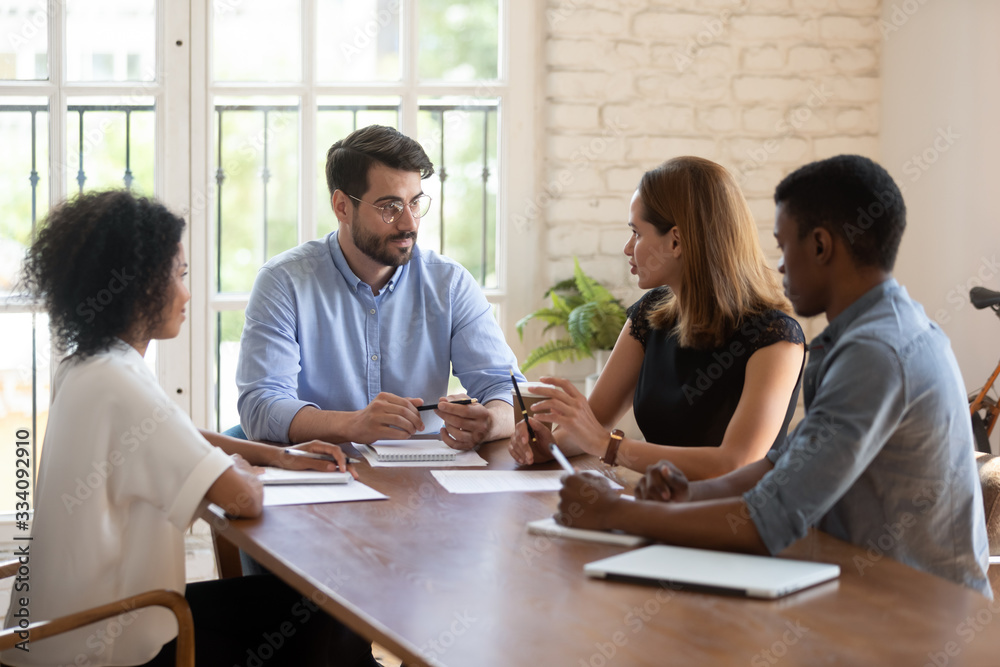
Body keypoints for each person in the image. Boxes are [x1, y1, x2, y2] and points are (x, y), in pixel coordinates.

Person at [556, 155, 992, 597]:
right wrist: (688, 494)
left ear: (821, 246)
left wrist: (616, 510)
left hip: (919, 615)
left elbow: (772, 518)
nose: (780, 266)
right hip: (862, 589)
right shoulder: (867, 334)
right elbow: (783, 466)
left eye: (784, 247)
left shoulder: (875, 354)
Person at [2, 190, 376, 666]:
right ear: (137, 286)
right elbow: (245, 498)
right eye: (178, 275)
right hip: (110, 647)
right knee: (324, 615)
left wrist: (277, 455)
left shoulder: (87, 365)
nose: (187, 292)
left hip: (45, 637)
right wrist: (238, 464)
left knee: (311, 616)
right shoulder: (121, 383)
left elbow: (173, 431)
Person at [510, 156, 805, 481]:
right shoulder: (650, 315)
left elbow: (734, 464)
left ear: (676, 241)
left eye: (636, 233)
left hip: (730, 522)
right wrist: (546, 445)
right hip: (660, 507)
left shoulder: (776, 336)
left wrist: (609, 446)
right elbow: (593, 426)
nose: (627, 248)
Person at [237, 124, 523, 449]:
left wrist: (490, 421)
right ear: (342, 207)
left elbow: (508, 392)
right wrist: (353, 424)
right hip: (325, 478)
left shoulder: (450, 283)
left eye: (415, 203)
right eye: (390, 207)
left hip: (425, 482)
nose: (409, 223)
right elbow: (259, 407)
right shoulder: (283, 282)